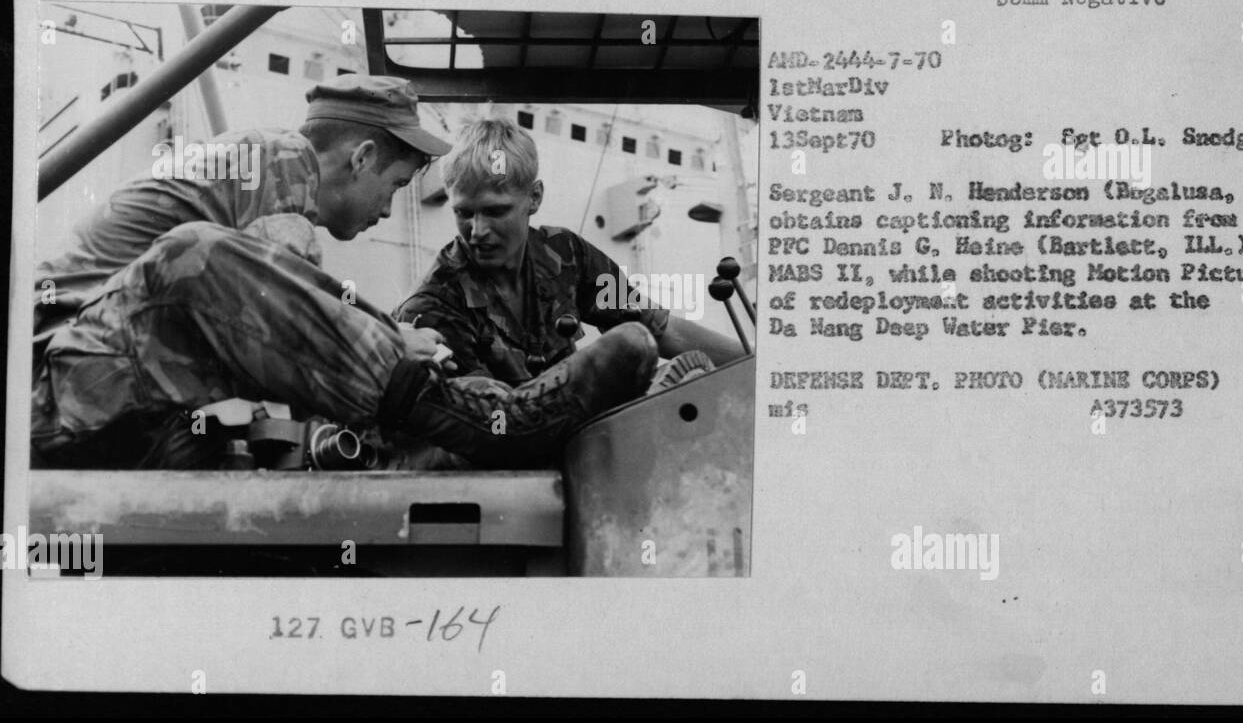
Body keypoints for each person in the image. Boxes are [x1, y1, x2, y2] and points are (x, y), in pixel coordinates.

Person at [31, 76, 655, 470]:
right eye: (395, 183)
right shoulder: (277, 165)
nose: (390, 207)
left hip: (110, 389)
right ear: (360, 158)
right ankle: (484, 423)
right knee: (195, 253)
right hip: (59, 370)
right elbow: (287, 302)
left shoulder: (262, 175)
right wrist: (396, 339)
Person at [393, 116, 745, 398]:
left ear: (534, 198)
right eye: (464, 213)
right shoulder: (433, 306)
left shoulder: (565, 254)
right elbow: (489, 424)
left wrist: (757, 367)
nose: (477, 230)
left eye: (495, 211)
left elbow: (662, 330)